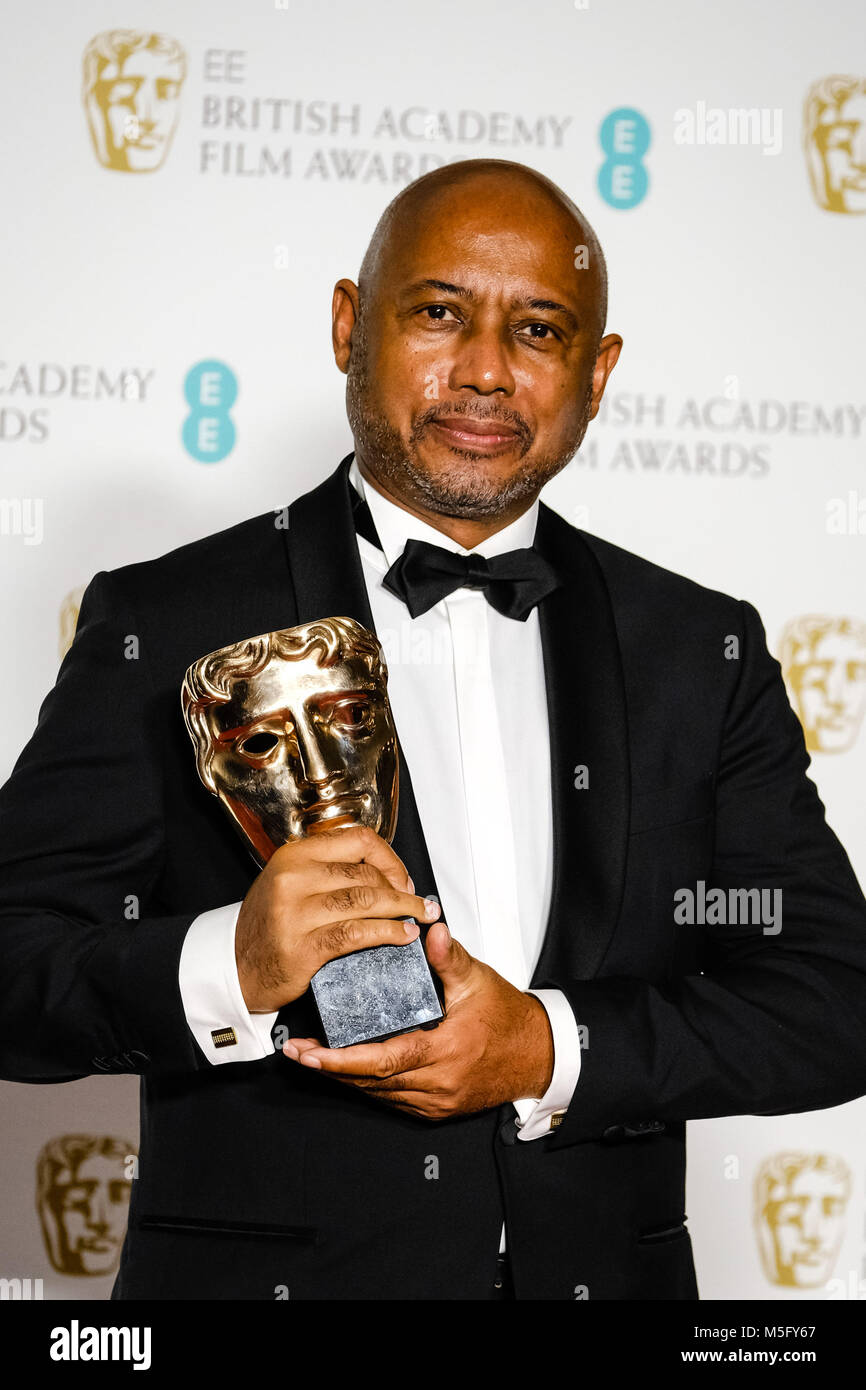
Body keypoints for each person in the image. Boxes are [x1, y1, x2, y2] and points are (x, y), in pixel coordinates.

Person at [2, 158, 866, 1301]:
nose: (486, 371)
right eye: (439, 312)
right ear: (348, 324)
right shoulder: (166, 621)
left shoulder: (696, 649)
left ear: (597, 374)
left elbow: (827, 997)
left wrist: (551, 1048)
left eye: (540, 329)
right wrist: (228, 964)